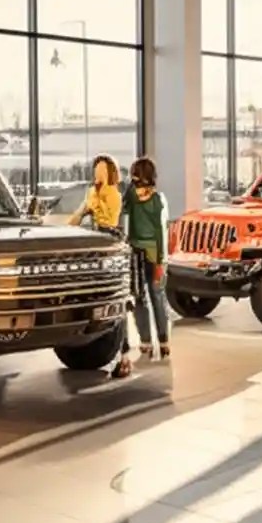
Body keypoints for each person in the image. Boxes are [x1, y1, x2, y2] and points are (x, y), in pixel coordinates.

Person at [120, 156, 170, 371]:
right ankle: (163, 340)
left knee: (140, 297)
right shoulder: (157, 199)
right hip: (153, 252)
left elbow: (123, 209)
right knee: (157, 296)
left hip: (135, 252)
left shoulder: (131, 195)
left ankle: (146, 340)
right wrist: (160, 260)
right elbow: (160, 232)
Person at [68, 155, 122, 231]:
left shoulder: (115, 195)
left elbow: (110, 223)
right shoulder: (92, 193)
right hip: (95, 232)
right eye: (97, 169)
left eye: (103, 170)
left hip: (109, 233)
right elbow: (74, 220)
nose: (99, 173)